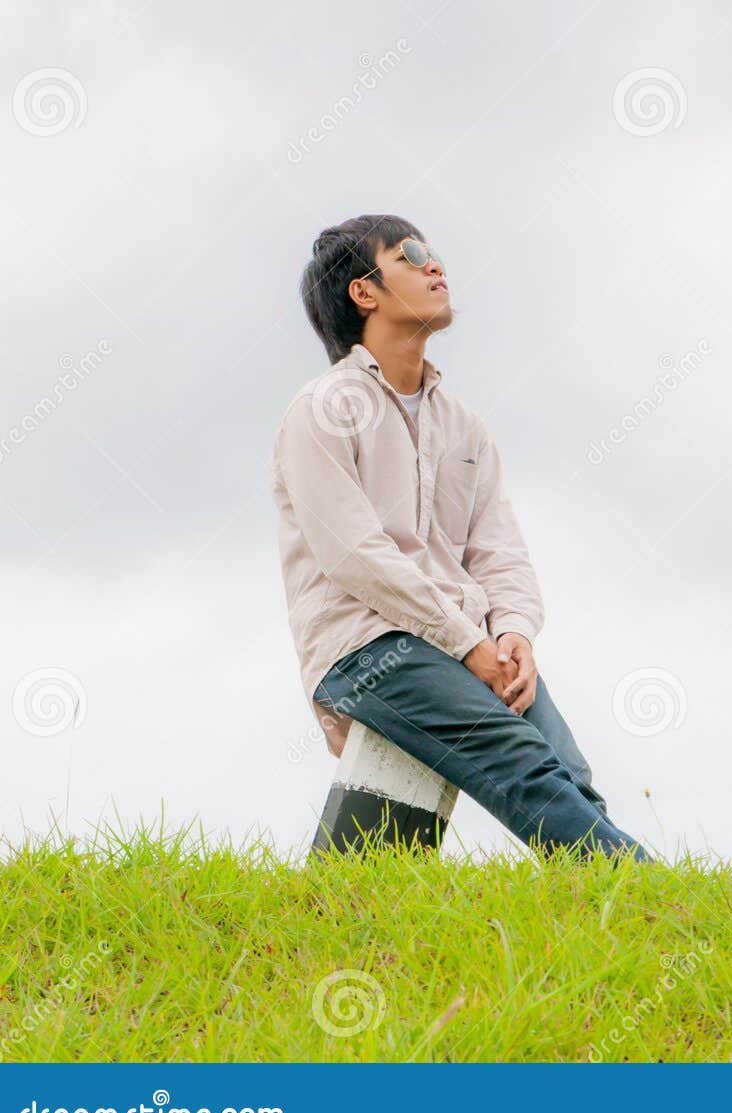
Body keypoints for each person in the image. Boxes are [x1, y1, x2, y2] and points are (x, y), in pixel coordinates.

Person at [269, 213, 649, 862]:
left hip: (467, 643)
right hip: (367, 647)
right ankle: (658, 901)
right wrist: (468, 642)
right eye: (410, 255)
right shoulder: (323, 408)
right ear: (364, 291)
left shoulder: (463, 424)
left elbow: (499, 551)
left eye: (432, 253)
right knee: (523, 759)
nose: (434, 264)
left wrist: (514, 633)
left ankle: (617, 922)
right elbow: (355, 555)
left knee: (571, 777)